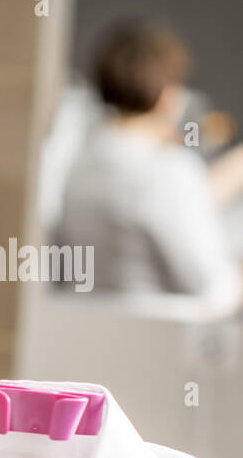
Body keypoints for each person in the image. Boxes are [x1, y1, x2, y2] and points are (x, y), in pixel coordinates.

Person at [58, 19, 243, 313]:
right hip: (157, 340)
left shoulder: (81, 158)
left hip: (86, 328)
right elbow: (215, 288)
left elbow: (162, 203)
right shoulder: (168, 171)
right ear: (166, 94)